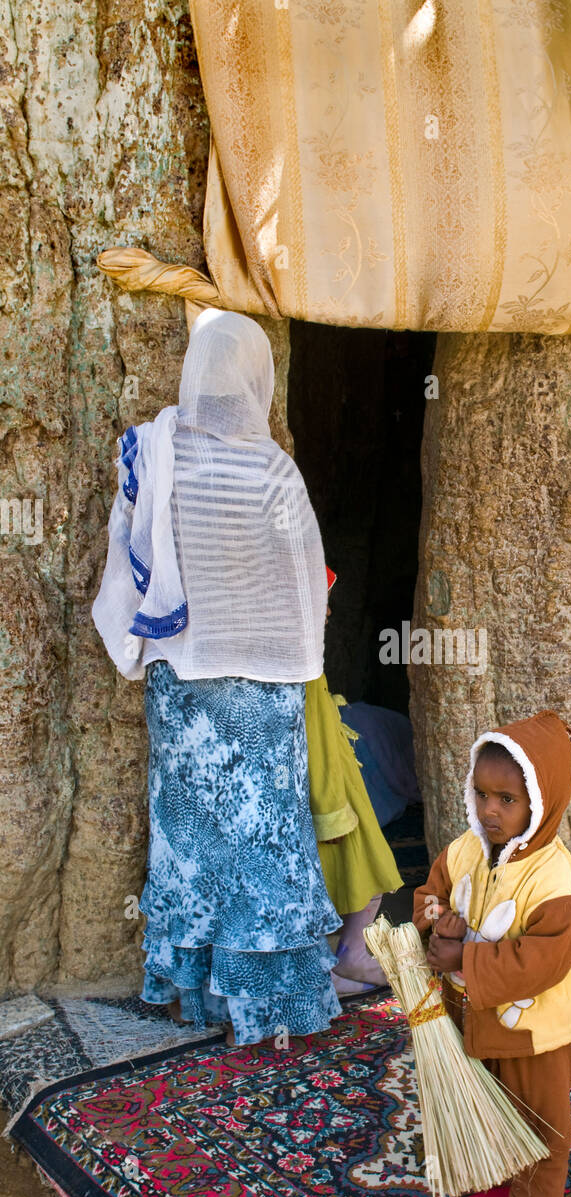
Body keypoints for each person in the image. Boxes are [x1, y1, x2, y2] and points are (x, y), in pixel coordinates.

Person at [92, 307, 343, 1047]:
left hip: (185, 687)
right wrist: (296, 659)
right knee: (266, 844)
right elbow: (305, 583)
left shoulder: (155, 451)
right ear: (256, 379)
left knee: (191, 841)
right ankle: (266, 1006)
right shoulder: (272, 469)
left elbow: (126, 553)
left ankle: (189, 991)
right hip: (265, 694)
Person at [413, 710, 571, 1197]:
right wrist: (435, 924)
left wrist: (463, 959)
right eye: (483, 794)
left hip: (534, 1027)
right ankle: (489, 1157)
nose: (490, 810)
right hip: (473, 1011)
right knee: (485, 1092)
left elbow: (540, 962)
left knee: (540, 1114)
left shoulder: (555, 879)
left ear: (541, 802)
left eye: (508, 800)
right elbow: (429, 896)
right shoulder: (464, 850)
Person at [305, 566, 403, 996]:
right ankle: (348, 955)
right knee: (359, 861)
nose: (327, 612)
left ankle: (344, 955)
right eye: (318, 600)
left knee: (361, 862)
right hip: (325, 784)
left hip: (333, 775)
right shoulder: (299, 666)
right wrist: (330, 805)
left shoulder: (301, 660)